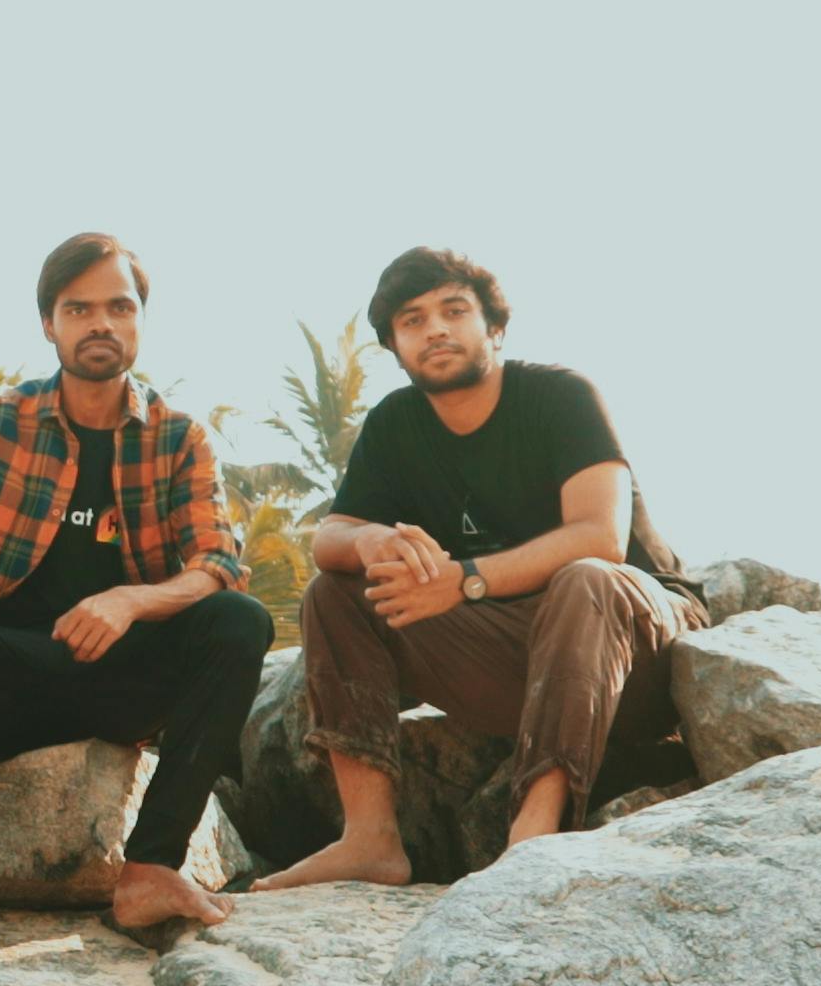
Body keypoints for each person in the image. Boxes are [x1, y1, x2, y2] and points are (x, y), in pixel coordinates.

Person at [257, 245, 697, 884]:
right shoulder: (395, 425)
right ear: (395, 347)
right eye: (412, 320)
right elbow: (331, 537)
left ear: (494, 326)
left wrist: (463, 582)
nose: (434, 328)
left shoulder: (560, 395)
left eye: (453, 310)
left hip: (639, 661)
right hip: (515, 665)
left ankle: (531, 837)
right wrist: (372, 541)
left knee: (585, 579)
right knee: (337, 590)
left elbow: (601, 535)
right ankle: (371, 839)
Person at [0, 232, 275, 955]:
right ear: (50, 325)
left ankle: (151, 867)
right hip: (10, 682)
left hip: (122, 688)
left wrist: (131, 601)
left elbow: (218, 560)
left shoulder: (178, 435)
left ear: (139, 320)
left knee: (239, 622)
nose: (101, 323)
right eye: (79, 308)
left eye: (118, 307)